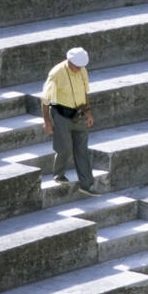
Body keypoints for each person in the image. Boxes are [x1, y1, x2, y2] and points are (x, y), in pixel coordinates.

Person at [42, 46, 99, 196]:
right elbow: (46, 99)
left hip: (79, 113)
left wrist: (88, 112)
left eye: (81, 67)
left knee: (82, 150)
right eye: (76, 66)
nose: (79, 69)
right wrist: (47, 120)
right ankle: (58, 174)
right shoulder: (56, 73)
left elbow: (85, 93)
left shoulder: (82, 71)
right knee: (65, 148)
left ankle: (87, 185)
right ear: (68, 61)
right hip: (61, 114)